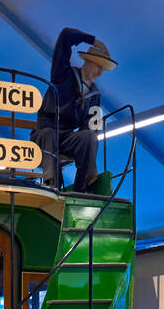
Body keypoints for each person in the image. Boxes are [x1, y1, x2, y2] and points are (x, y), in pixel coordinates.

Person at [31, 28, 115, 191]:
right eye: (98, 67)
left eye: (102, 69)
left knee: (90, 137)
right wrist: (93, 40)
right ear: (88, 62)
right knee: (49, 134)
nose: (99, 73)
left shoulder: (95, 94)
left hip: (67, 137)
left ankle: (83, 187)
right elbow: (66, 36)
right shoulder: (62, 74)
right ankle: (51, 183)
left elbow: (91, 127)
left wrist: (87, 142)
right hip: (44, 134)